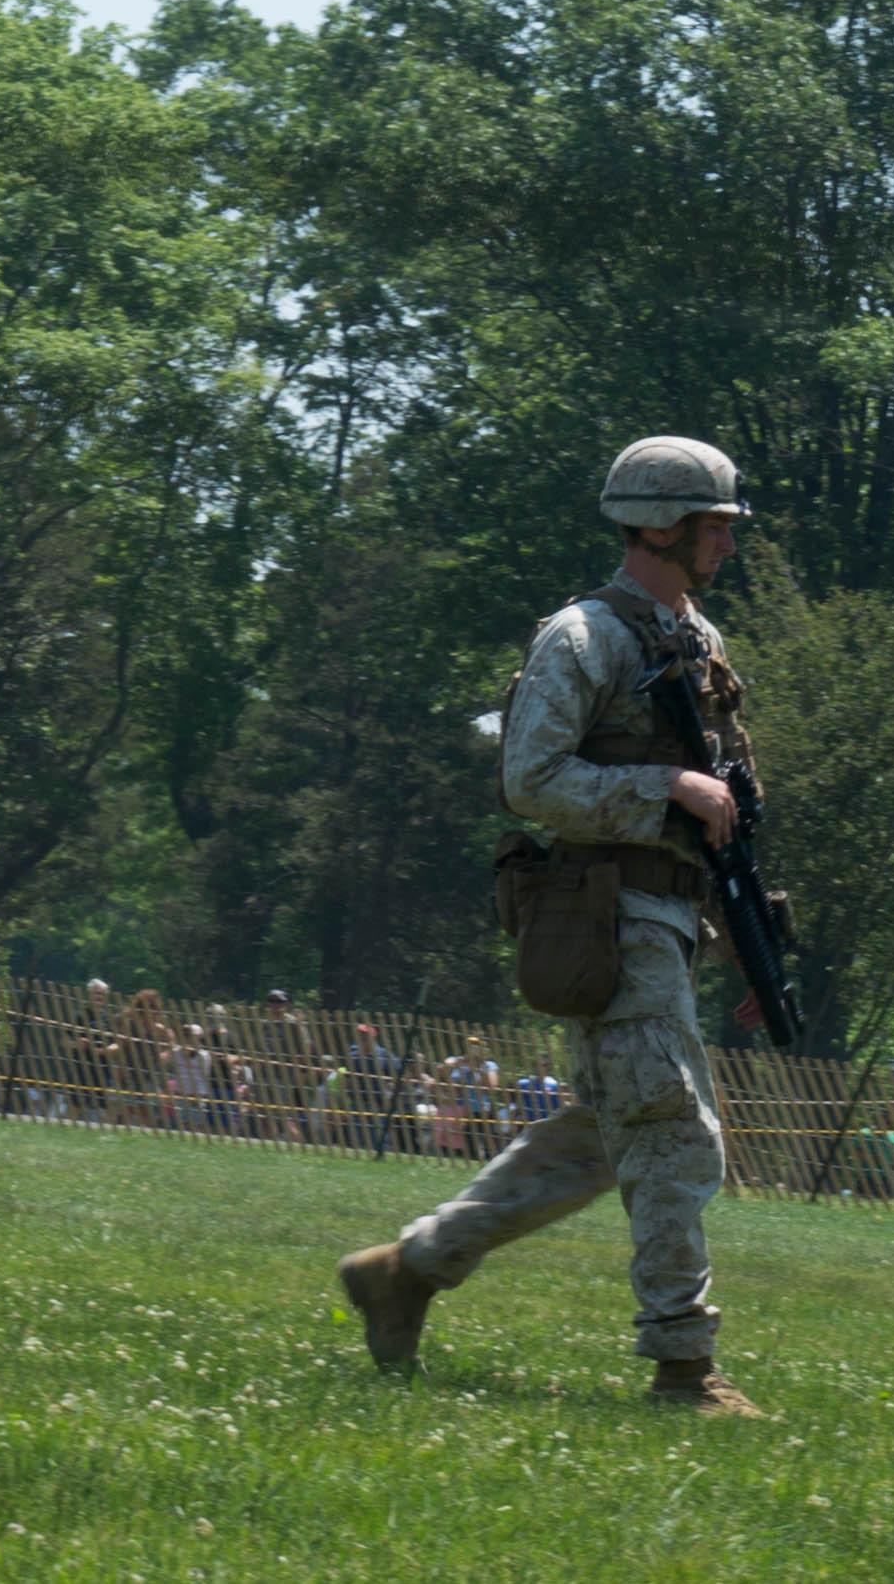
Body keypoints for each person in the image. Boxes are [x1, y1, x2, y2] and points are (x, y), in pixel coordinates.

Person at [336, 434, 771, 1415]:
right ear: (660, 525)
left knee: (605, 1133)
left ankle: (406, 1269)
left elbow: (726, 809)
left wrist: (751, 938)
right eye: (713, 526)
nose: (727, 544)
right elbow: (529, 780)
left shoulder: (698, 641)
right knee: (668, 1131)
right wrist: (663, 784)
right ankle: (682, 1367)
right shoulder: (582, 639)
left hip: (671, 916)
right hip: (605, 918)